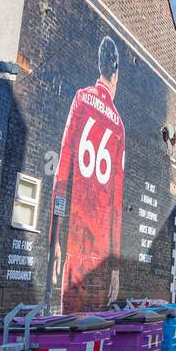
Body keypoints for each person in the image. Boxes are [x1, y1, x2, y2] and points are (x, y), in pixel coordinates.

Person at [50, 36, 126, 312]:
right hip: (101, 256)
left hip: (74, 241)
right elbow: (117, 206)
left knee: (67, 329)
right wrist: (115, 267)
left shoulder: (81, 99)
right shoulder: (118, 125)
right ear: (115, 73)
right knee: (94, 334)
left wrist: (54, 238)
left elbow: (62, 174)